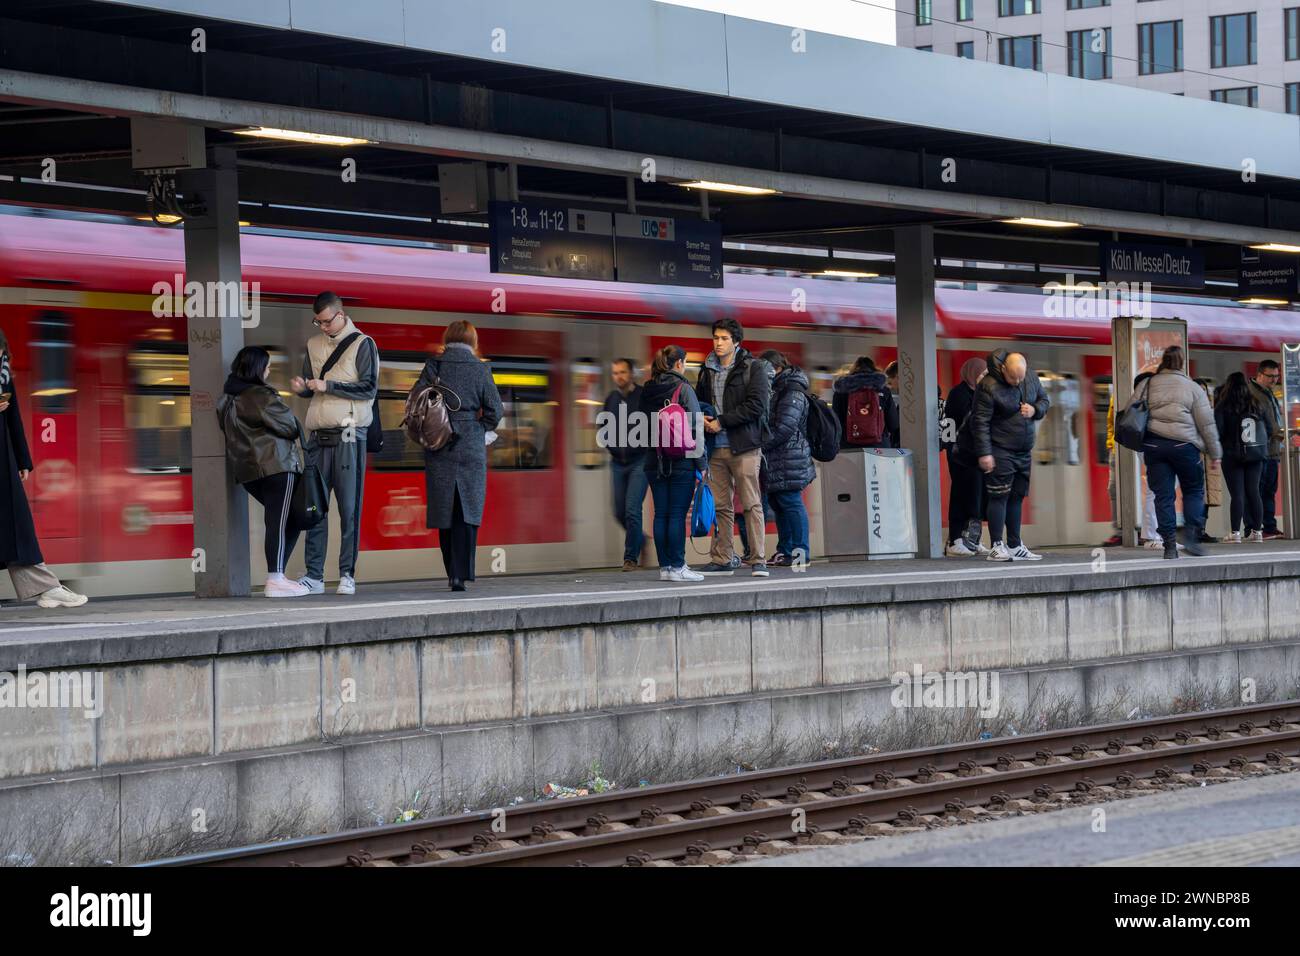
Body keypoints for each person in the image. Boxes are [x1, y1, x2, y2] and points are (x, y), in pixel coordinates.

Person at [290, 291, 380, 595]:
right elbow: (310, 386)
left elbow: (369, 388)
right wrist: (303, 389)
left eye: (327, 321)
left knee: (349, 508)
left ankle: (347, 574)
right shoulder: (313, 345)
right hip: (318, 436)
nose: (323, 327)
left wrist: (327, 385)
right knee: (314, 507)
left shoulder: (363, 344)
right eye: (318, 322)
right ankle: (314, 575)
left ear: (341, 315)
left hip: (349, 434)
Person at [412, 320, 503, 592]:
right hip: (470, 444)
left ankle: (450, 571)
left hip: (439, 440)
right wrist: (479, 429)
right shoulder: (481, 368)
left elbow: (417, 399)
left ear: (447, 338)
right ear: (472, 341)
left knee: (446, 510)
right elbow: (495, 411)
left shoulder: (434, 366)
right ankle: (461, 575)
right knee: (467, 510)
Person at [0, 330, 87, 608]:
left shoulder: (3, 374)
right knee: (14, 525)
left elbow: (13, 416)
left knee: (16, 524)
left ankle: (47, 587)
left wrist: (23, 459)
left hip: (3, 459)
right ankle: (47, 587)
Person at [217, 346, 309, 597]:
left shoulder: (225, 399)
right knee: (280, 521)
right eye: (267, 366)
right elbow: (290, 426)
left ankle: (278, 575)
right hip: (276, 465)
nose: (269, 370)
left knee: (287, 519)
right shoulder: (261, 395)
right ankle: (275, 579)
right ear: (258, 368)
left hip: (248, 471)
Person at [694, 318, 771, 576]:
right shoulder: (707, 369)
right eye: (716, 337)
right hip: (715, 447)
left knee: (751, 503)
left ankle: (758, 558)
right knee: (721, 506)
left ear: (736, 341)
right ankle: (723, 557)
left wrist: (722, 422)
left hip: (745, 445)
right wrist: (703, 418)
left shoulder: (753, 367)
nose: (718, 342)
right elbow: (701, 402)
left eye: (724, 338)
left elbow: (757, 405)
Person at [1137, 346, 1222, 559]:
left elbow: (1132, 411)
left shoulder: (1148, 384)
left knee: (1163, 496)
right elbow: (1207, 424)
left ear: (1163, 361)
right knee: (1193, 491)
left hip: (1155, 447)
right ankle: (1191, 536)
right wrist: (1215, 453)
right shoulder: (1192, 387)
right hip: (1185, 447)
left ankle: (1169, 546)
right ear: (1182, 363)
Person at [971, 350, 1050, 562]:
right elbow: (980, 422)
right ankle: (997, 545)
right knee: (999, 496)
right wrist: (985, 453)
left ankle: (1015, 545)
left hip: (1023, 450)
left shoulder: (1030, 377)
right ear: (1003, 368)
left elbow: (1044, 400)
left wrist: (1035, 410)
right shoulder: (987, 386)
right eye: (1012, 377)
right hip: (999, 448)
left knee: (1017, 496)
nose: (1016, 382)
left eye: (1020, 378)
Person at [641, 345, 706, 582]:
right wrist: (702, 464)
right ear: (679, 363)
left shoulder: (647, 389)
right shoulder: (683, 388)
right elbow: (696, 429)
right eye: (685, 362)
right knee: (677, 514)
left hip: (653, 460)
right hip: (681, 461)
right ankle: (679, 566)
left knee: (661, 514)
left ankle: (666, 567)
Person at [759, 350, 815, 568]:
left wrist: (760, 444)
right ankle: (785, 551)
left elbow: (785, 426)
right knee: (779, 503)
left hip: (790, 457)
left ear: (777, 369)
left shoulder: (791, 390)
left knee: (791, 503)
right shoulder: (777, 389)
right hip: (778, 458)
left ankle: (801, 554)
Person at [1215, 371, 1274, 544]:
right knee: (1254, 492)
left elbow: (1218, 432)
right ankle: (1257, 532)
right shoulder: (1256, 404)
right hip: (1255, 455)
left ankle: (1235, 533)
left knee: (1238, 494)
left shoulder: (1223, 406)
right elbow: (1269, 429)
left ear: (1228, 386)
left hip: (1232, 455)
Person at [602, 358, 647, 571]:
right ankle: (641, 540)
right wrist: (610, 446)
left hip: (640, 461)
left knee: (632, 510)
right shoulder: (611, 399)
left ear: (631, 374)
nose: (618, 376)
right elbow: (603, 426)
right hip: (617, 463)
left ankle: (631, 557)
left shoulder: (642, 396)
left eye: (622, 372)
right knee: (618, 511)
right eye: (615, 373)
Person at [944, 357, 989, 556]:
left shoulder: (980, 393)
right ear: (971, 373)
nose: (984, 378)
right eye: (981, 374)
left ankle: (972, 539)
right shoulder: (958, 394)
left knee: (977, 497)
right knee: (961, 495)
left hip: (976, 453)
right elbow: (965, 422)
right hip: (960, 454)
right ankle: (954, 540)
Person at [1249, 360, 1285, 539]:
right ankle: (1254, 528)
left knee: (1269, 490)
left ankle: (1269, 526)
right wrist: (1281, 434)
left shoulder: (1268, 392)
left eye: (1277, 376)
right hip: (1259, 450)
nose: (1274, 380)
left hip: (1273, 450)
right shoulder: (1252, 393)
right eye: (1271, 376)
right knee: (1257, 490)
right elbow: (1268, 423)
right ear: (1260, 374)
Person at [832, 356, 898, 449]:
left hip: (849, 446)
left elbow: (835, 423)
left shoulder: (841, 390)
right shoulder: (883, 390)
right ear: (874, 370)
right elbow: (893, 424)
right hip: (879, 447)